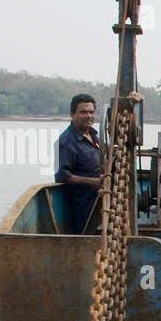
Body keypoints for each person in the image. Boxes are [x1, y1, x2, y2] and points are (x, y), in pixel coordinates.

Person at [54, 93, 101, 235]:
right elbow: (62, 175)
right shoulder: (65, 142)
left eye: (91, 112)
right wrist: (95, 182)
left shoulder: (95, 136)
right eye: (83, 112)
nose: (89, 116)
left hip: (100, 204)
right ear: (72, 114)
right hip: (82, 207)